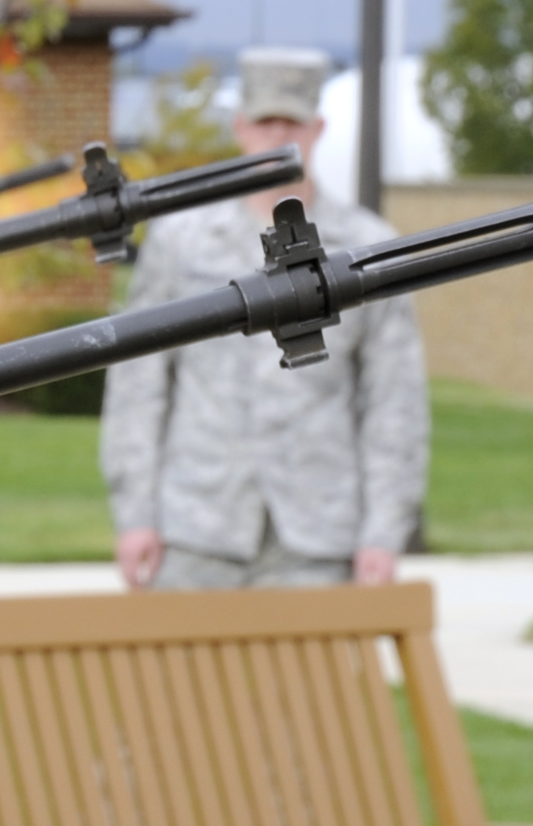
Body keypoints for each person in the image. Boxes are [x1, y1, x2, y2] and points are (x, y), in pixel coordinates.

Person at [104, 44, 429, 591]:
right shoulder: (181, 240)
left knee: (315, 681)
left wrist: (384, 530)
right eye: (264, 122)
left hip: (317, 533)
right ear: (239, 127)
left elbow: (394, 397)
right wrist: (136, 514)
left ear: (318, 129)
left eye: (292, 123)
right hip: (195, 525)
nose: (278, 137)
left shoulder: (365, 247)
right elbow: (140, 382)